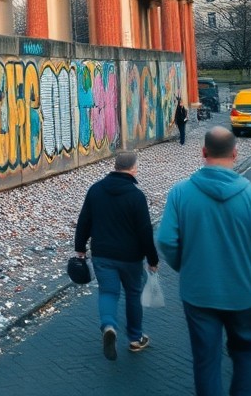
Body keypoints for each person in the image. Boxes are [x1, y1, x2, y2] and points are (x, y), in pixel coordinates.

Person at [157, 127, 251, 396]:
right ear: (235, 154)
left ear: (203, 152)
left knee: (206, 361)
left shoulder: (180, 193)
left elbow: (166, 240)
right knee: (247, 354)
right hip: (246, 294)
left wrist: (187, 266)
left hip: (199, 294)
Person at [73, 151, 160, 360]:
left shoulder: (96, 190)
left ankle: (109, 326)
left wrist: (80, 247)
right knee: (133, 294)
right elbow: (145, 231)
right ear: (133, 168)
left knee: (108, 293)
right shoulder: (136, 196)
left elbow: (84, 220)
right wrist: (152, 259)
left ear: (115, 166)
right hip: (131, 257)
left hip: (102, 254)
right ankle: (135, 338)